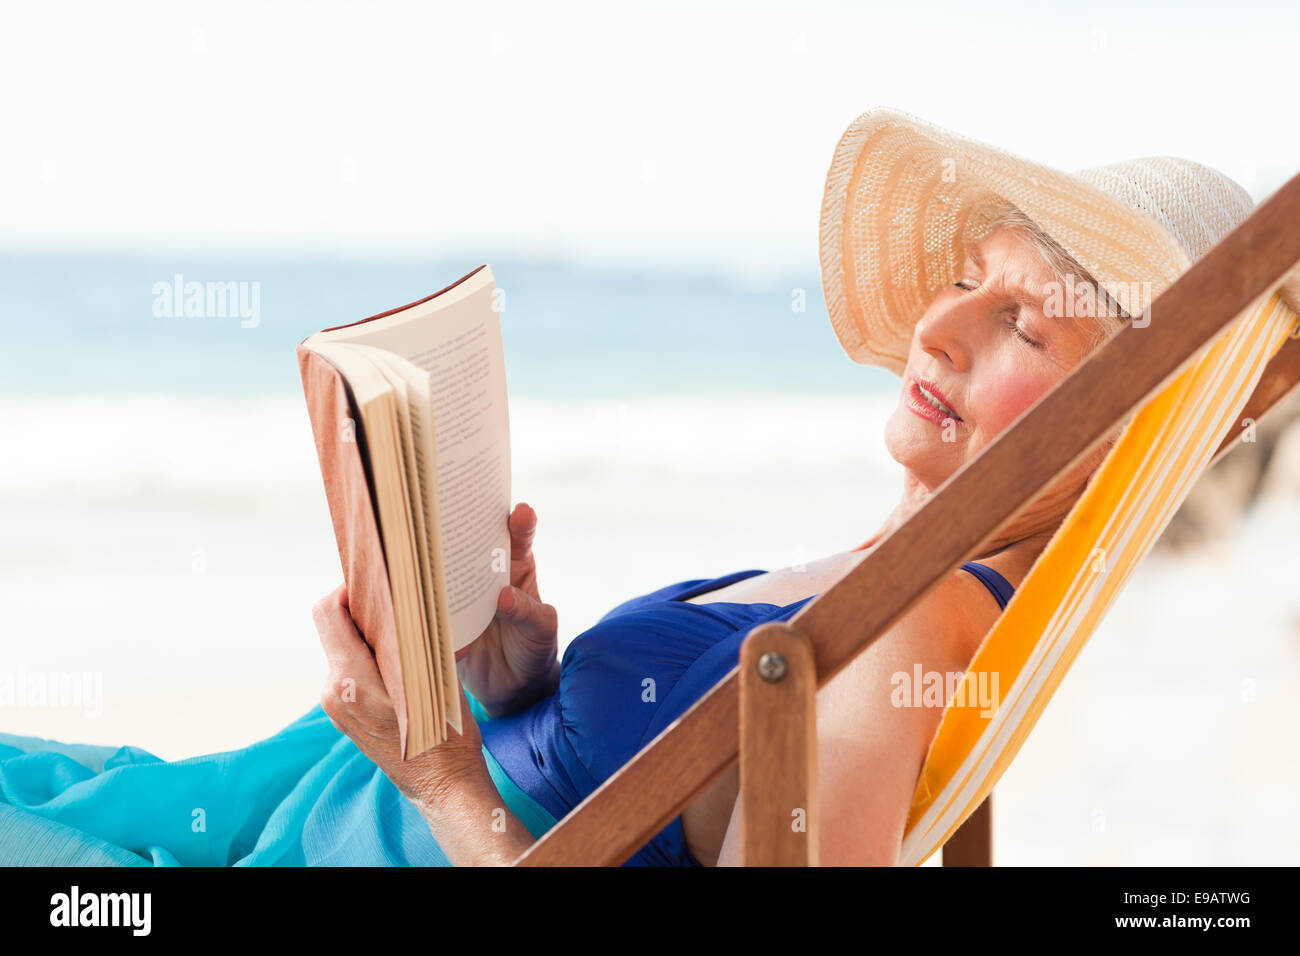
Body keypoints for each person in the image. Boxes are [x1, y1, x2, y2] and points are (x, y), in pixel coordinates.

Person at [0, 107, 1257, 866]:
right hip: (310, 804)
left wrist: (439, 771)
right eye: (975, 274)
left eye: (1029, 329)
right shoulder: (887, 583)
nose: (940, 330)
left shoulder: (906, 642)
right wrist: (524, 690)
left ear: (1120, 433)